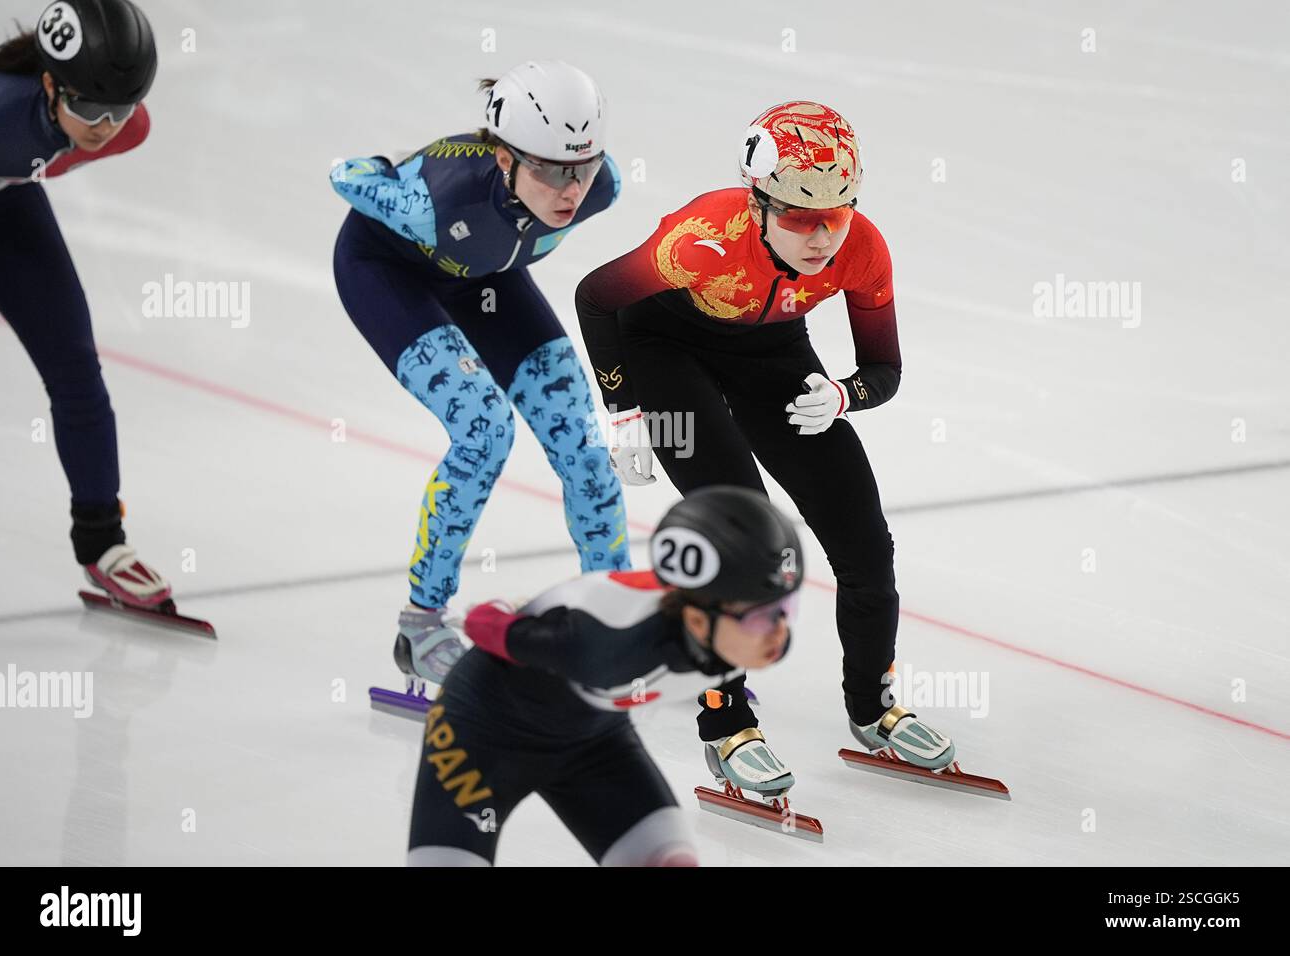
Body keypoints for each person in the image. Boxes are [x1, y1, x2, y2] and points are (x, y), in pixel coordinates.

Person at [574, 101, 956, 772]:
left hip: (773, 355)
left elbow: (885, 369)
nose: (821, 239)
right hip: (665, 347)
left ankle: (874, 707)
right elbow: (597, 295)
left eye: (835, 217)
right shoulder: (701, 237)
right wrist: (624, 408)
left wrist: (843, 396)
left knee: (865, 543)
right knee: (740, 539)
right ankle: (726, 723)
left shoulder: (862, 247)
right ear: (758, 205)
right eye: (800, 219)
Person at [329, 61, 631, 690]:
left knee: (582, 441)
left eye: (583, 166)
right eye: (550, 170)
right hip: (388, 270)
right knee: (484, 429)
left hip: (485, 277)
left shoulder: (604, 187)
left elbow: (564, 190)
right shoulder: (434, 198)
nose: (570, 190)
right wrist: (394, 163)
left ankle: (611, 614)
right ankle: (421, 622)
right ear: (503, 160)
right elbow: (345, 174)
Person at [408, 485, 802, 866]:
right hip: (480, 734)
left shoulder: (729, 637)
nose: (780, 632)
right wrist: (494, 613)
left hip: (590, 743)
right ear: (698, 620)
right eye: (762, 618)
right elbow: (486, 624)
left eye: (786, 607)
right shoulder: (604, 639)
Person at [0, 0, 171, 609]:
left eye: (119, 110)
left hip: (5, 201)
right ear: (48, 84)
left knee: (76, 370)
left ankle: (102, 541)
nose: (105, 125)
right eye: (88, 108)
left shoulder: (130, 129)